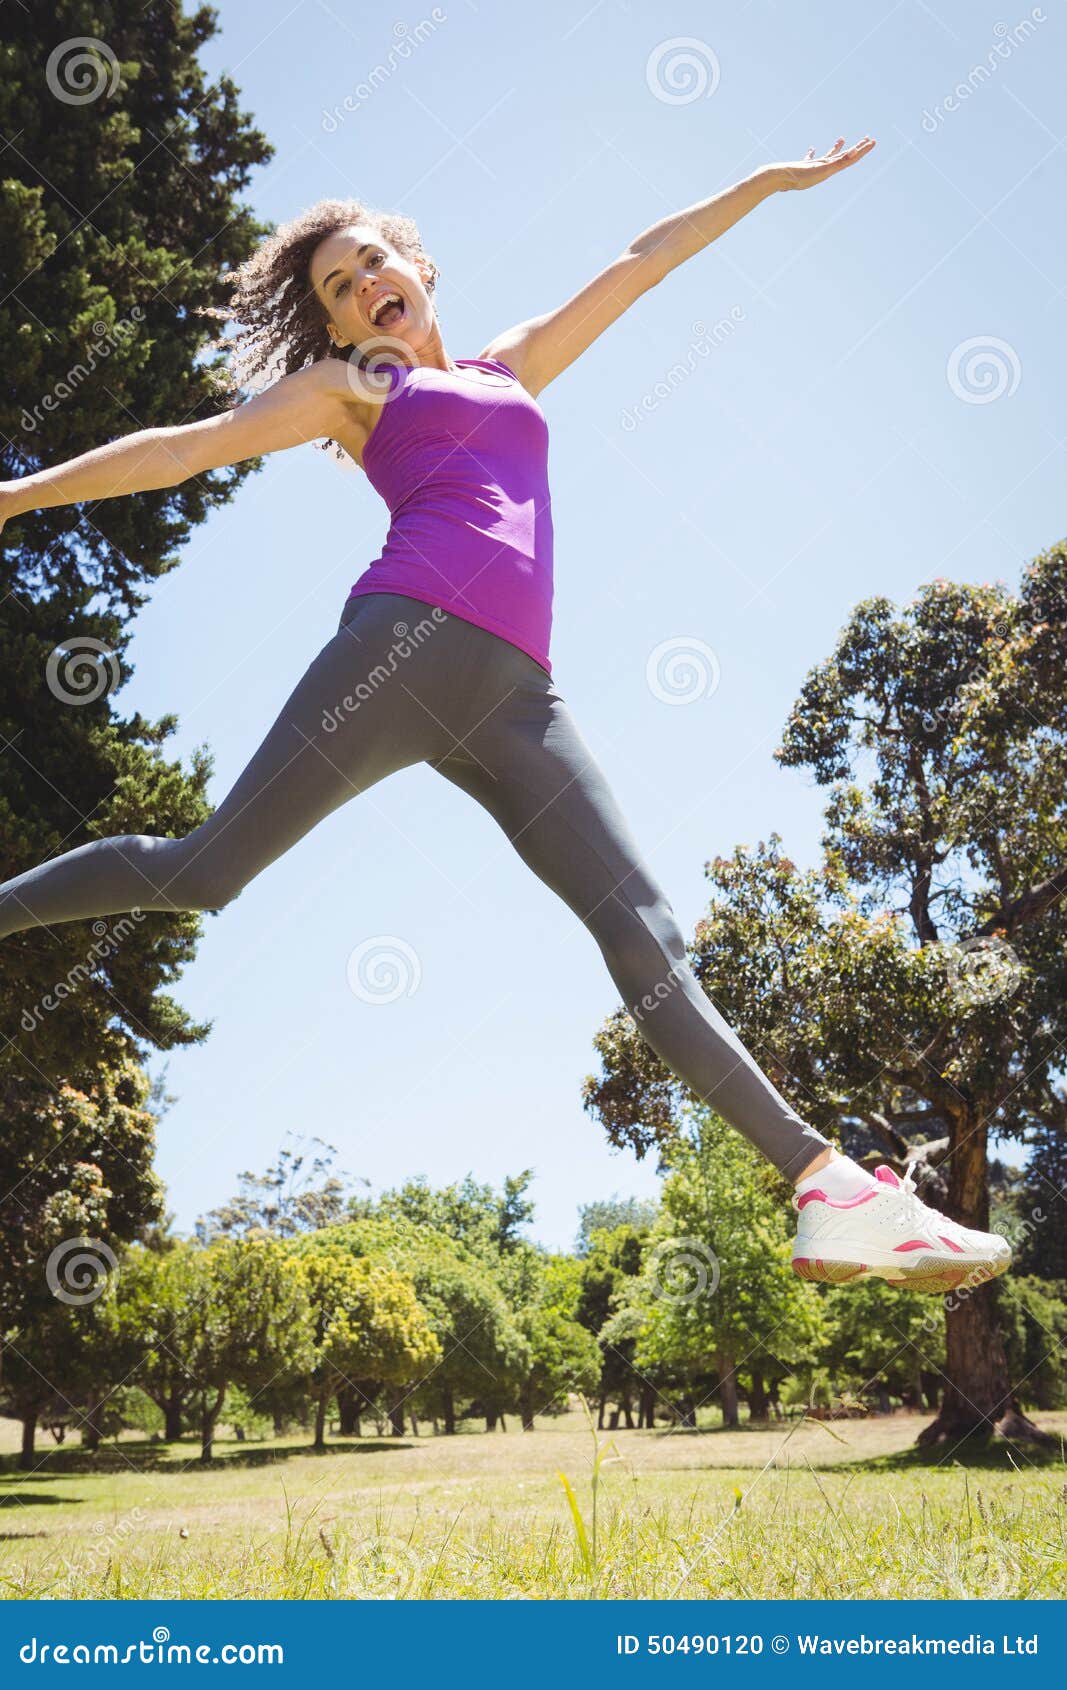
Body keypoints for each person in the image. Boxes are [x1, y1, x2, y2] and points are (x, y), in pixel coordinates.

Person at [0, 137, 1010, 1292]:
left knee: (646, 931)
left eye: (373, 260)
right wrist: (19, 495)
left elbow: (643, 258)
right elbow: (187, 450)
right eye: (337, 287)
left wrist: (763, 184)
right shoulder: (359, 387)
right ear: (334, 331)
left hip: (522, 699)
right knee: (203, 872)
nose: (362, 285)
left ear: (417, 264)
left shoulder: (506, 368)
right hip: (404, 645)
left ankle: (828, 1188)